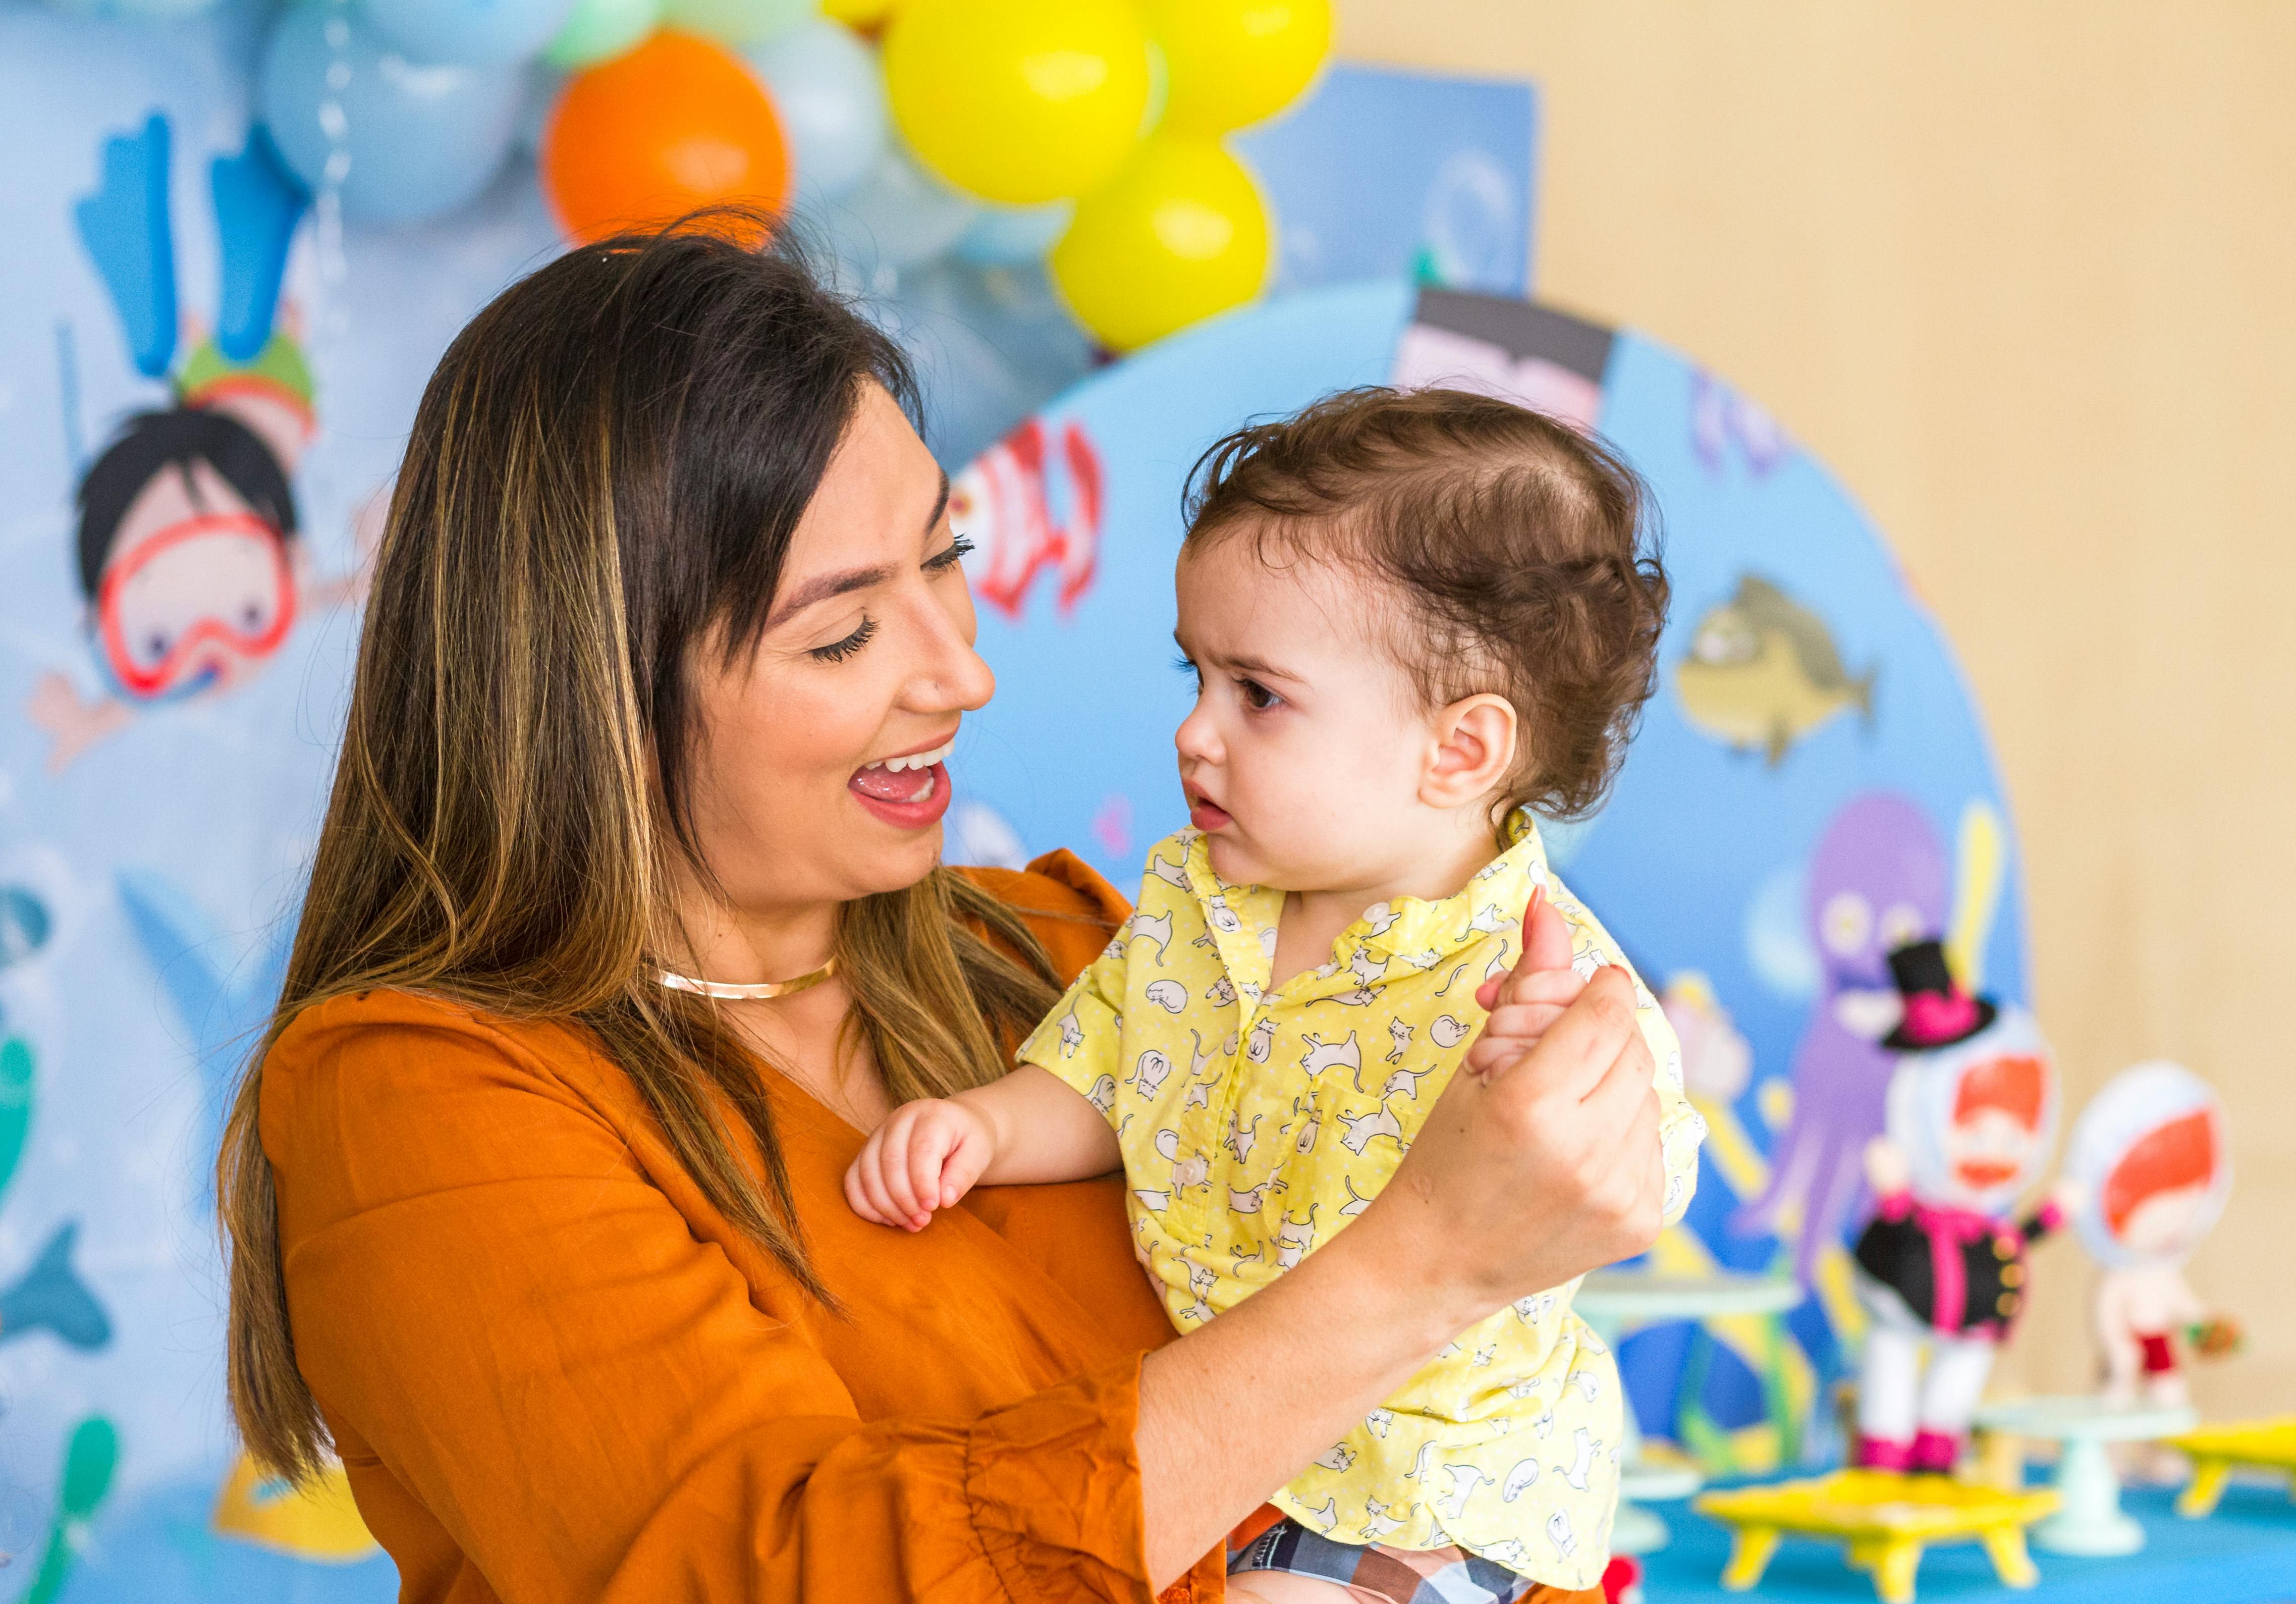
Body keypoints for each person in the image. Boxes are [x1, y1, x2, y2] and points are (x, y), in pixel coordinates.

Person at [216, 219, 1674, 1604]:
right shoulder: (418, 1094)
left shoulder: (1058, 950)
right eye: (844, 630)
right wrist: (1422, 1263)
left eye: (945, 564)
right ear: (595, 697)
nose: (959, 675)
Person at [842, 390, 1706, 1602]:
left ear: (1458, 750)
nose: (1195, 733)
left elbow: (1634, 1172)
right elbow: (1106, 1072)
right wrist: (984, 1125)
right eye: (1194, 675)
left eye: (1259, 693)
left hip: (1429, 1495)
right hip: (1243, 1454)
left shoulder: (1530, 971)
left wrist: (1546, 1090)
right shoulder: (1199, 905)